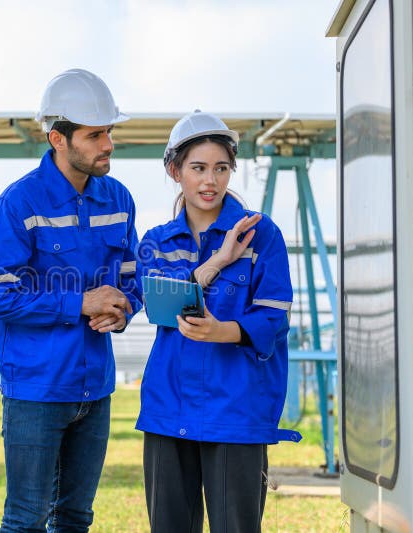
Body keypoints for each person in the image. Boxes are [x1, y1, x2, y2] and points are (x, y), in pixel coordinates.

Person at [0, 68, 143, 533]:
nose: (108, 144)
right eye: (95, 135)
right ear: (58, 139)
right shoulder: (19, 203)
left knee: (75, 518)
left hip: (96, 389)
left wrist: (123, 309)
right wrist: (80, 303)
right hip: (37, 390)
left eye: (109, 132)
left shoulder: (119, 199)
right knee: (26, 518)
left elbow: (132, 280)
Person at [135, 111, 301, 533]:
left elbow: (275, 317)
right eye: (198, 168)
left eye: (221, 168)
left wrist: (223, 331)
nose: (210, 181)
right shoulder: (156, 242)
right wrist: (218, 260)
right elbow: (160, 305)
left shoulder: (261, 235)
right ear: (175, 171)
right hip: (169, 407)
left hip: (236, 410)